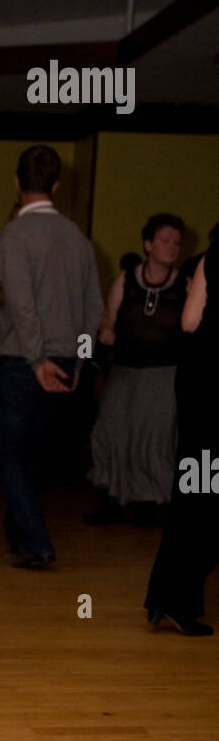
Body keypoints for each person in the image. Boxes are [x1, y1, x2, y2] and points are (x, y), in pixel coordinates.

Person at [0, 145, 103, 569]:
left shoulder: (15, 234)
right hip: (67, 357)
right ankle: (21, 540)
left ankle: (35, 543)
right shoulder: (78, 237)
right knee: (31, 454)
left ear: (18, 182)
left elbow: (20, 303)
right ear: (56, 184)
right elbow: (95, 306)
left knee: (6, 453)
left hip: (25, 359)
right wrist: (80, 360)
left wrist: (37, 359)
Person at [86, 214, 187, 527]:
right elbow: (108, 317)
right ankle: (113, 499)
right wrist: (106, 332)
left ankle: (151, 501)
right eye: (164, 241)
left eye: (176, 243)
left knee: (155, 438)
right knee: (110, 431)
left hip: (163, 374)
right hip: (126, 371)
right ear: (148, 244)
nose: (171, 247)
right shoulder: (128, 278)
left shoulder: (185, 284)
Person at [144, 235, 218, 635]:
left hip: (200, 386)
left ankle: (168, 596)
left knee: (194, 494)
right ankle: (175, 598)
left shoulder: (211, 254)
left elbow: (190, 321)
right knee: (206, 503)